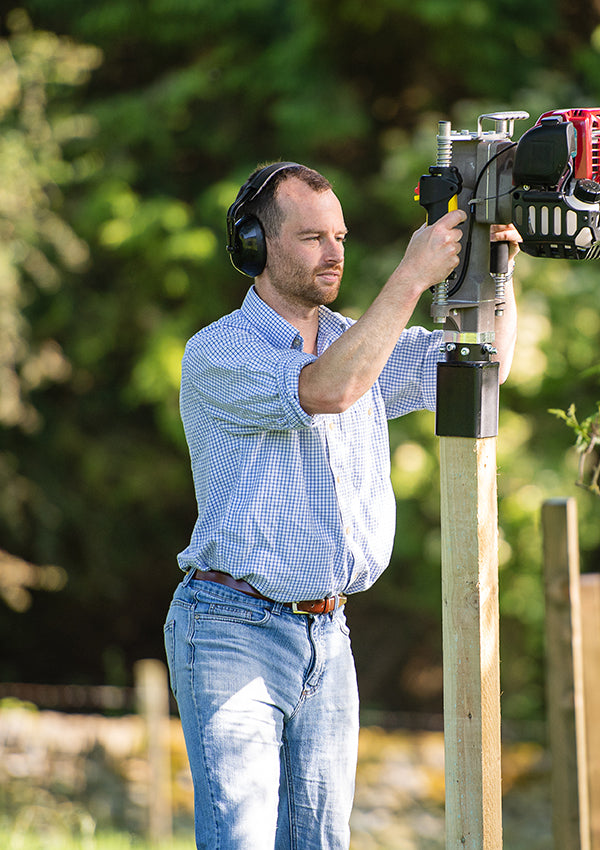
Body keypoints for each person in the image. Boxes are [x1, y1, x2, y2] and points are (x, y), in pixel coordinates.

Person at [164, 161, 519, 850]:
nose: (333, 252)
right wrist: (412, 276)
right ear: (254, 245)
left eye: (341, 236)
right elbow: (326, 389)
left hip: (329, 636)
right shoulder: (217, 352)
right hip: (232, 627)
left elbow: (487, 367)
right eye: (310, 237)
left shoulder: (359, 340)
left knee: (321, 843)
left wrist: (499, 273)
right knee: (242, 840)